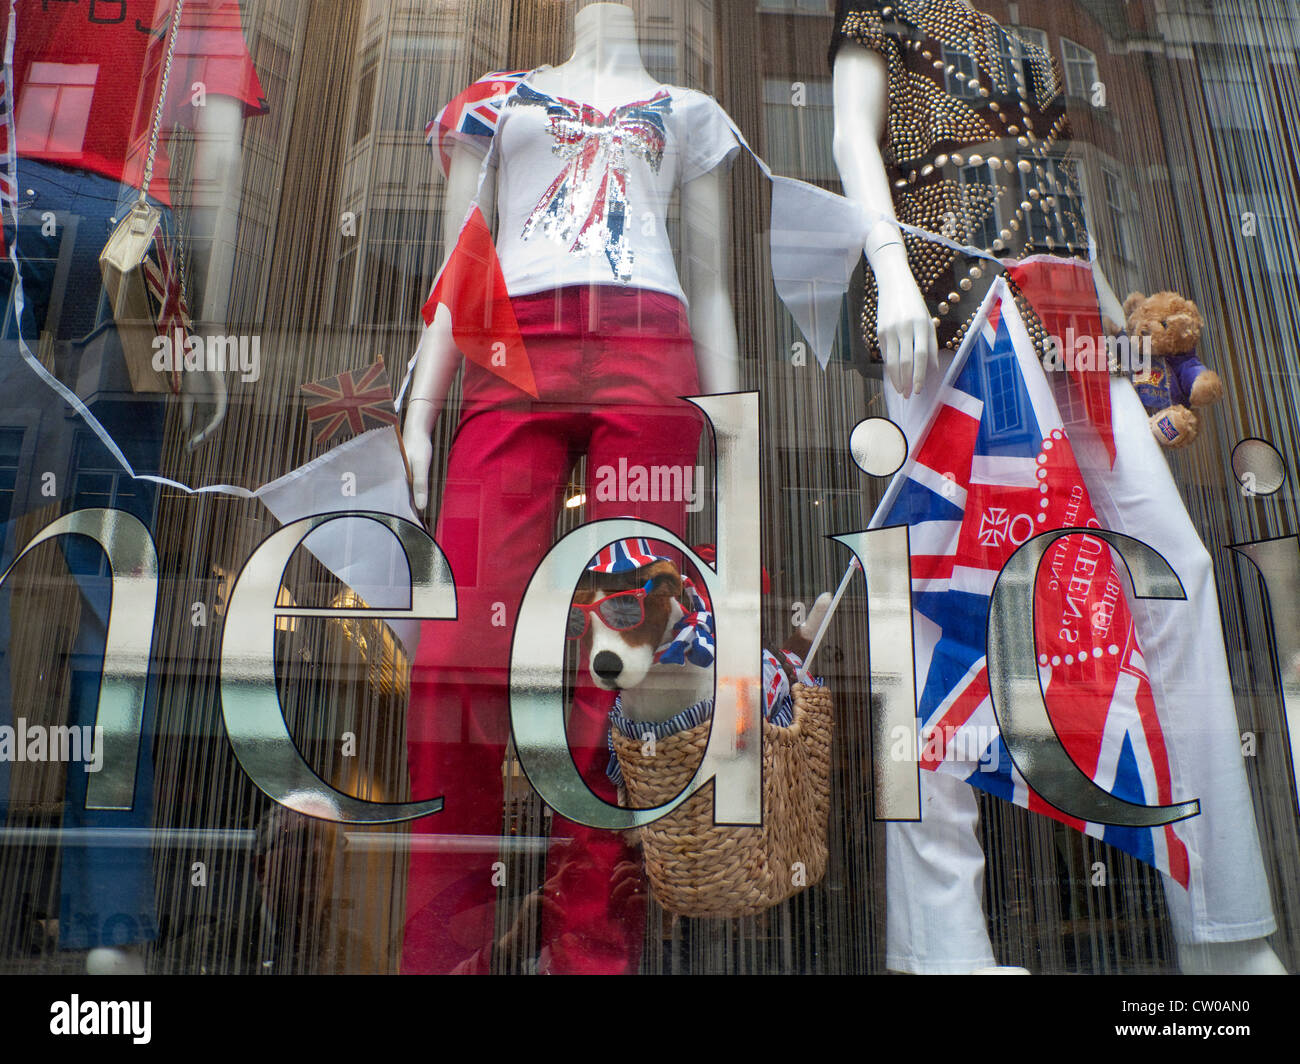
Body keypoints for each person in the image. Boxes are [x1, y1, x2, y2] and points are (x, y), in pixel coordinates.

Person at [829, 0, 1284, 974]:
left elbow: (1055, 189)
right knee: (931, 607)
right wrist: (888, 268)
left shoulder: (1032, 34)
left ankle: (1224, 916)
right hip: (948, 285)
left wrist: (1123, 323)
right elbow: (845, 135)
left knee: (1174, 568)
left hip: (1067, 296)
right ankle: (941, 942)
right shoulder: (890, 11)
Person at [400, 2, 741, 974]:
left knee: (621, 662)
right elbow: (461, 260)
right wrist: (422, 405)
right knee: (459, 651)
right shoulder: (496, 100)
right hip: (513, 347)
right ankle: (444, 946)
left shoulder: (688, 109)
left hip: (652, 346)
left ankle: (590, 950)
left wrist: (734, 431)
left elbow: (712, 285)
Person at [1, 0, 264, 972]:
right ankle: (106, 927)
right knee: (117, 610)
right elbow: (224, 156)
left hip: (9, 215)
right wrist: (220, 334)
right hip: (124, 236)